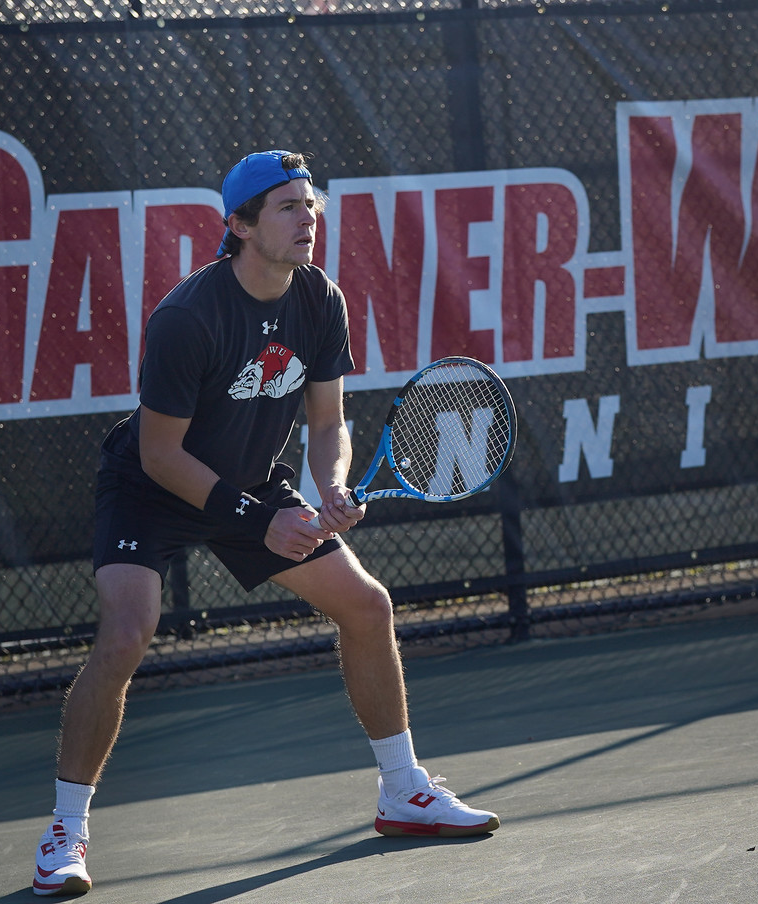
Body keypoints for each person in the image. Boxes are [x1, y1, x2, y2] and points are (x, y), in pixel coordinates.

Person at [32, 150, 500, 896]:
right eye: (286, 206)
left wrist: (334, 486)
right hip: (151, 488)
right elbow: (160, 455)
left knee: (367, 605)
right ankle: (65, 829)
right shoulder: (188, 318)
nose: (307, 218)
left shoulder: (320, 299)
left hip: (250, 478)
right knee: (127, 630)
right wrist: (259, 520)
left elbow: (326, 422)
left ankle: (402, 790)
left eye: (309, 204)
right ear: (241, 226)